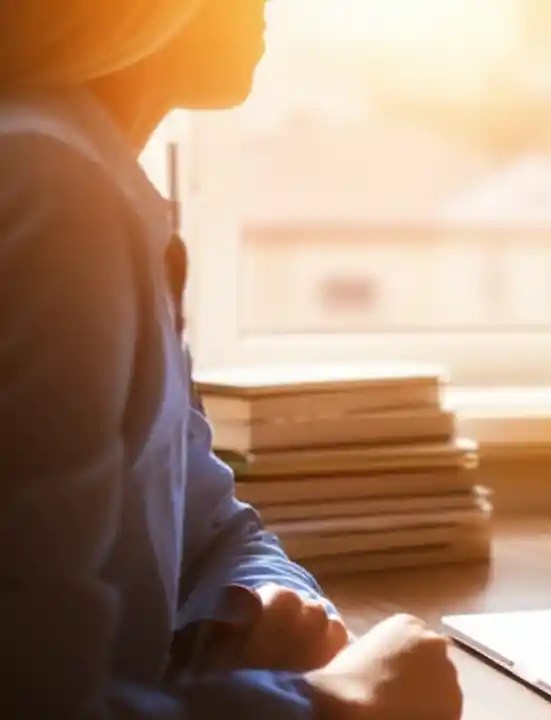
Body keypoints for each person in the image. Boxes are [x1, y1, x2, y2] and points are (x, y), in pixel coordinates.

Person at [0, 1, 464, 718]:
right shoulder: (51, 190)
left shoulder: (102, 189)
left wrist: (256, 605)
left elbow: (215, 525)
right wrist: (329, 702)